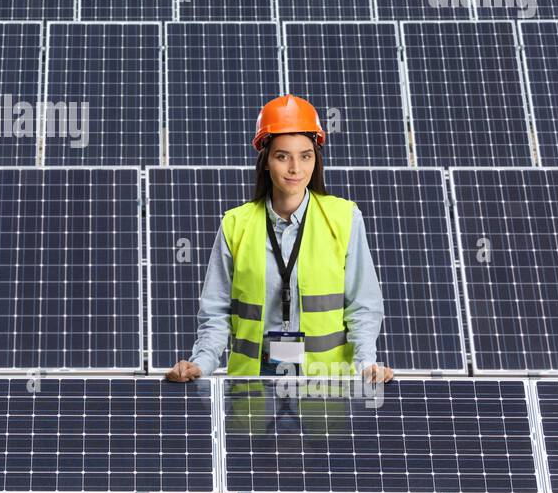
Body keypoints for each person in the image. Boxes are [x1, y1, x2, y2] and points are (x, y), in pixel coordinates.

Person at [166, 94, 394, 385]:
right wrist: (202, 363)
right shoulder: (235, 225)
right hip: (251, 391)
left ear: (316, 159)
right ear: (265, 161)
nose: (295, 168)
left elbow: (363, 305)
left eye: (305, 155)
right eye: (282, 156)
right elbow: (216, 311)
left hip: (327, 389)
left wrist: (366, 364)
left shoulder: (345, 219)